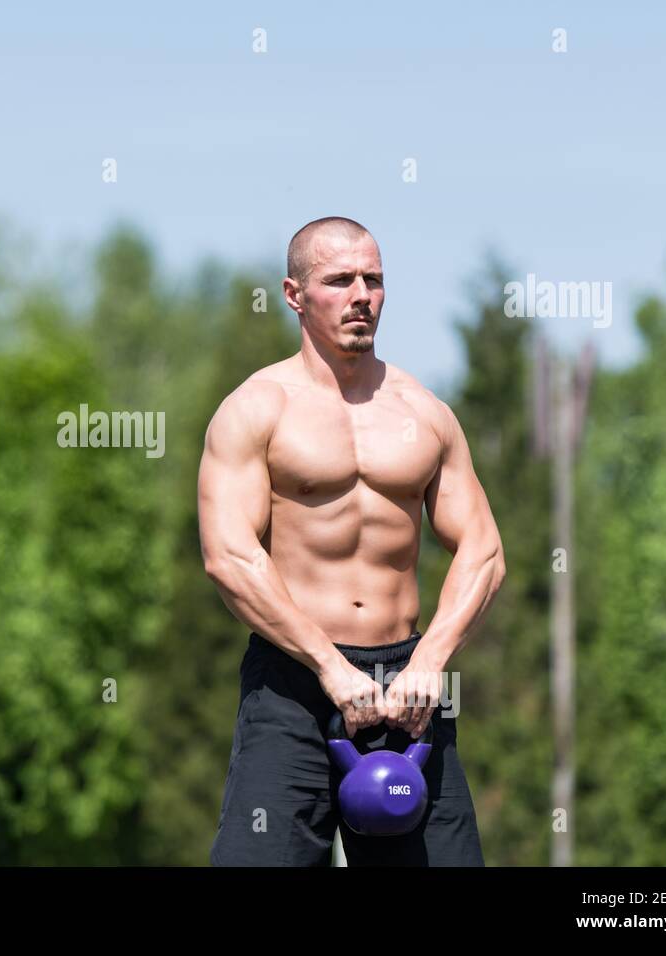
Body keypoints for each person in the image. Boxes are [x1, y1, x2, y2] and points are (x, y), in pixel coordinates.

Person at [200, 217, 506, 866]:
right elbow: (229, 558)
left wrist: (430, 661)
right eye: (339, 280)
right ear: (294, 295)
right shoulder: (258, 409)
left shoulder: (424, 413)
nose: (361, 294)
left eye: (374, 279)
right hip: (294, 685)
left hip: (409, 695)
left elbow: (483, 552)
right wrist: (329, 668)